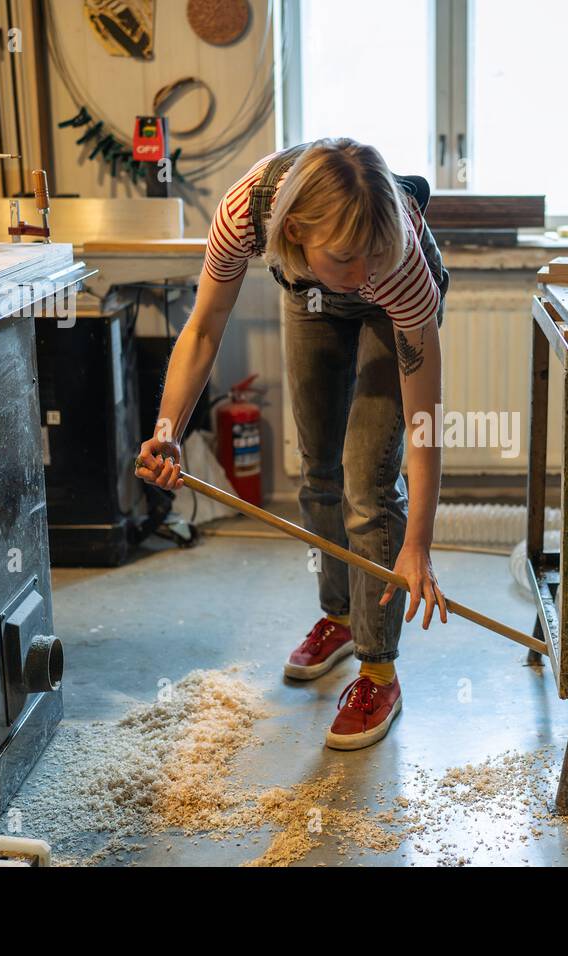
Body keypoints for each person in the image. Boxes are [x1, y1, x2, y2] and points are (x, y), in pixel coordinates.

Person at [136, 138, 450, 750]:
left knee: (367, 481)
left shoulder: (397, 265)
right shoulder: (242, 214)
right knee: (319, 473)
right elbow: (202, 329)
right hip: (308, 297)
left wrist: (419, 544)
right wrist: (167, 433)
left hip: (395, 314)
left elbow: (425, 419)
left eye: (371, 256)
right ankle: (339, 617)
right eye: (347, 258)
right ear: (297, 232)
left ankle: (378, 667)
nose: (362, 275)